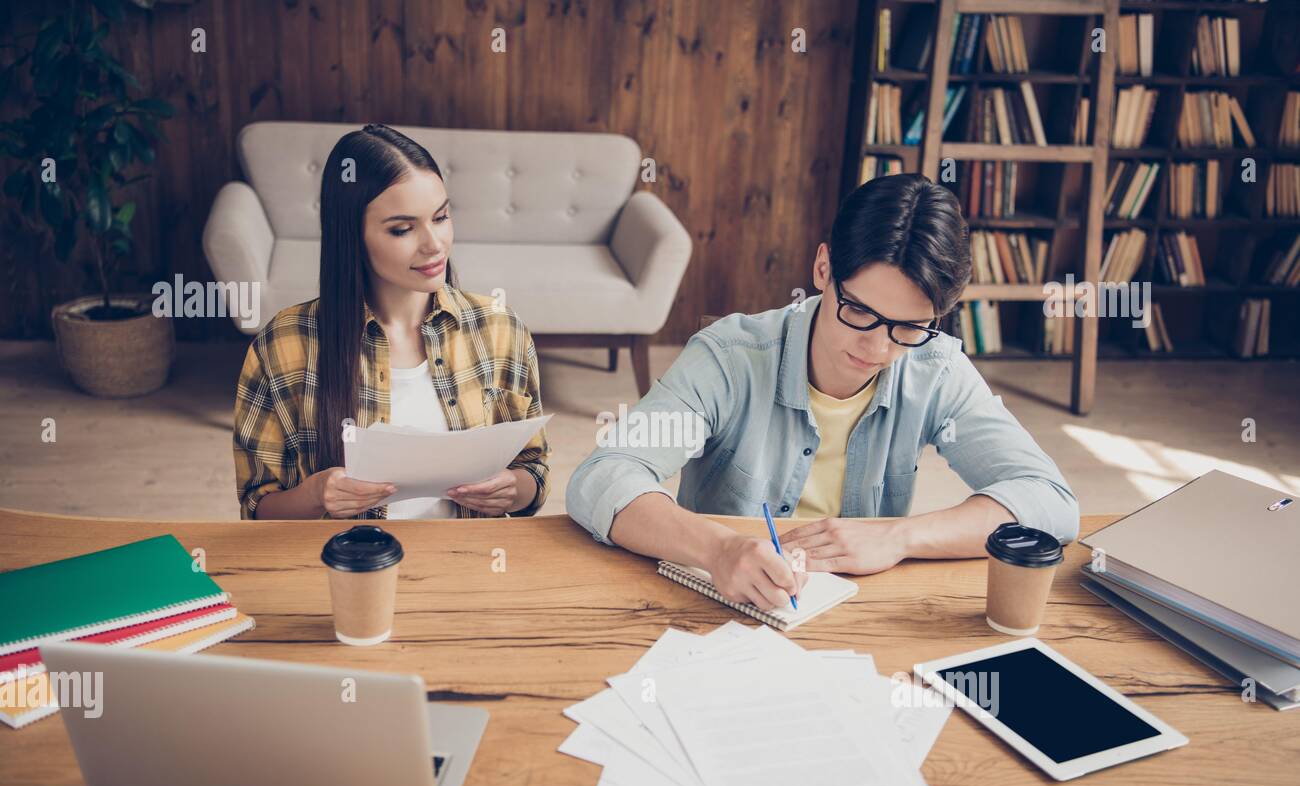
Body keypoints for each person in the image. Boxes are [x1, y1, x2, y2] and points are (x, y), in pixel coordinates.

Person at [566, 173, 1078, 610]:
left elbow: (1049, 501)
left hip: (862, 613)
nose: (878, 347)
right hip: (728, 608)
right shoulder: (730, 357)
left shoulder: (935, 367)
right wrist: (720, 549)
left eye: (909, 326)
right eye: (859, 311)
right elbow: (603, 476)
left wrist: (900, 536)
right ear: (823, 268)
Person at [234, 123, 549, 520]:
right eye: (402, 229)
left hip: (467, 569)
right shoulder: (282, 344)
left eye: (441, 217)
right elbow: (256, 508)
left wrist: (514, 490)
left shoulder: (501, 328)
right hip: (348, 572)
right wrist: (315, 495)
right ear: (352, 237)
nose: (434, 245)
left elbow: (534, 470)